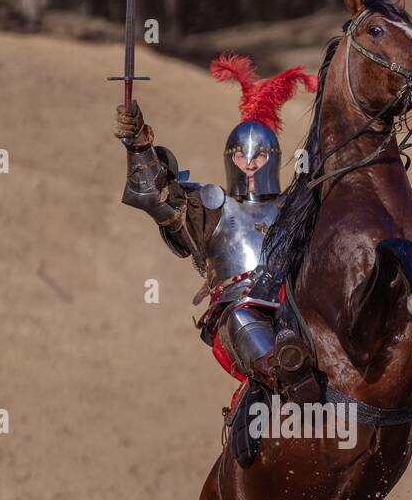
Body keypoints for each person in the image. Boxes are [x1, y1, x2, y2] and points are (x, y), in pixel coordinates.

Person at [114, 52, 318, 396]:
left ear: (274, 159)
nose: (250, 164)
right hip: (240, 315)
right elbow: (154, 194)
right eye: (242, 156)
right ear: (230, 159)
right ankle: (287, 377)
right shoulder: (210, 208)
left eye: (260, 156)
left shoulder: (296, 208)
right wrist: (139, 145)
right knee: (240, 316)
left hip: (297, 307)